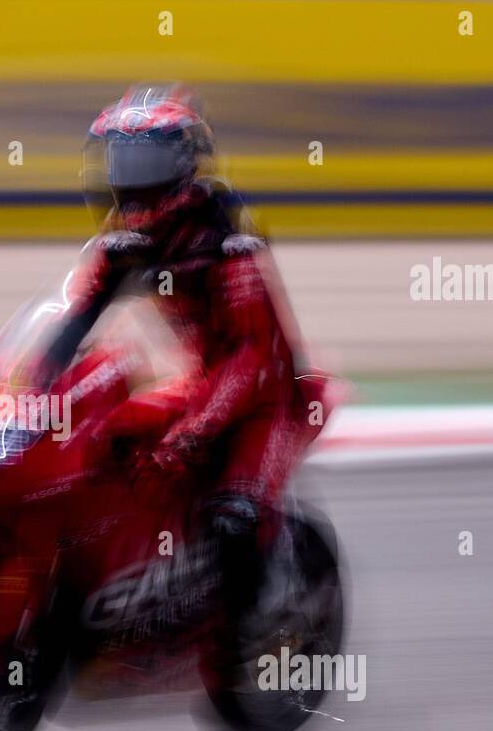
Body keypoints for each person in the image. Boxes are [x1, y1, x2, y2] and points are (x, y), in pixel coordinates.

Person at [64, 83, 327, 624]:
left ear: (185, 165)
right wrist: (28, 384)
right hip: (202, 386)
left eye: (148, 162)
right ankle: (128, 578)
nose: (130, 180)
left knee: (231, 520)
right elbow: (71, 322)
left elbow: (253, 355)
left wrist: (191, 433)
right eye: (122, 162)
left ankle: (251, 633)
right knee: (98, 446)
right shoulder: (126, 242)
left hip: (265, 398)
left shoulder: (228, 243)